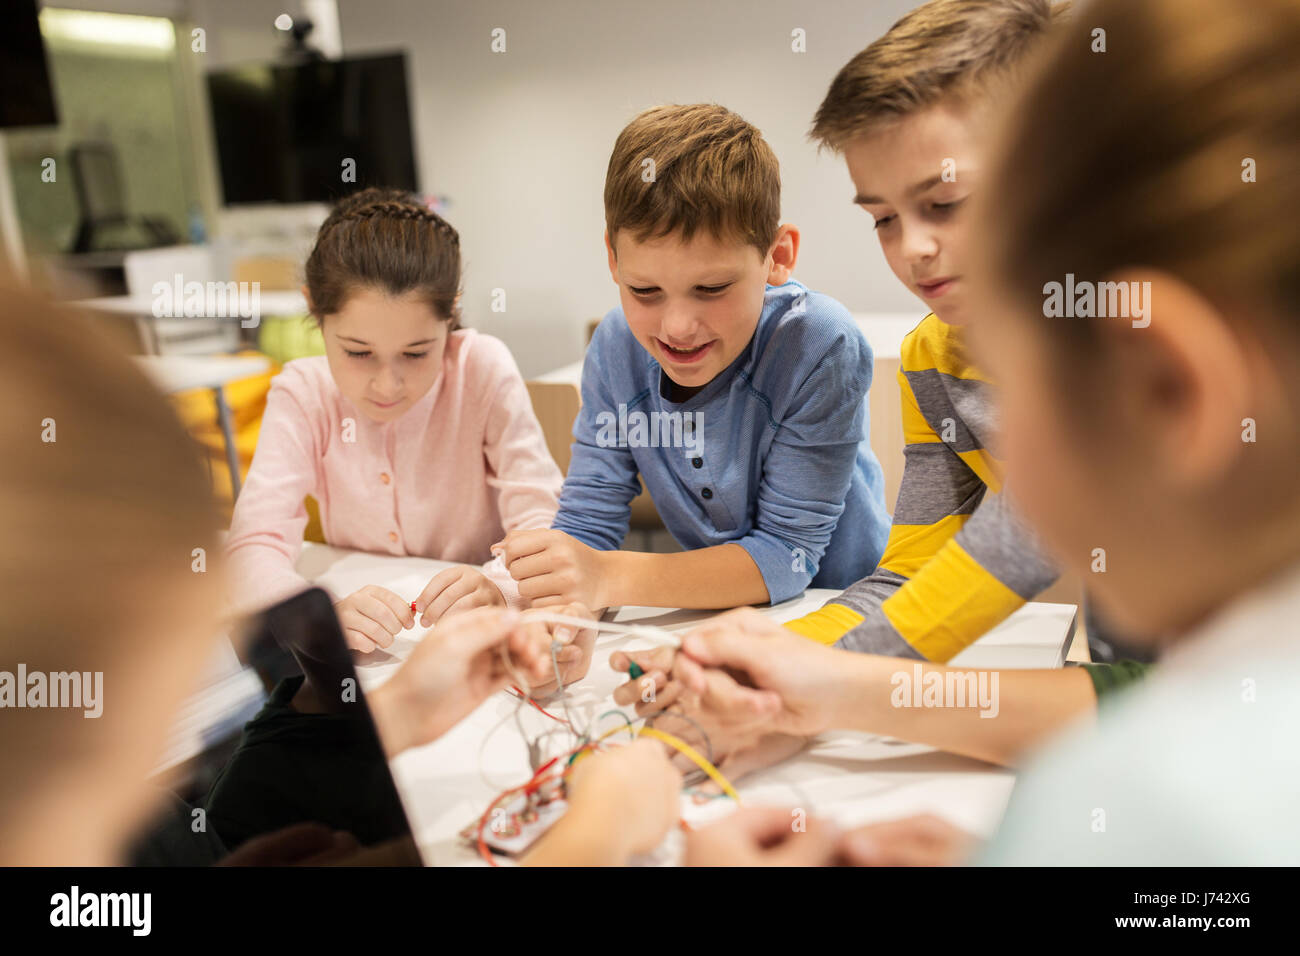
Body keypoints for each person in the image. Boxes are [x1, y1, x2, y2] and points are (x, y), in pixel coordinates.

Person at [498, 104, 891, 614]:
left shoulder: (819, 344)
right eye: (644, 289)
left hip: (843, 607)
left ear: (778, 256)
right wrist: (562, 615)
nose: (677, 327)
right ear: (613, 259)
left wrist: (605, 577)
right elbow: (587, 524)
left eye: (711, 287)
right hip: (720, 617)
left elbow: (788, 555)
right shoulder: (616, 348)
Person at [224, 188, 588, 669]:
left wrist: (499, 588)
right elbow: (255, 543)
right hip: (374, 665)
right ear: (313, 307)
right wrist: (310, 614)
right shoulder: (303, 392)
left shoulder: (481, 369)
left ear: (451, 314)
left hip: (471, 649)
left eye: (417, 353)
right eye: (358, 352)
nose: (387, 384)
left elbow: (542, 521)